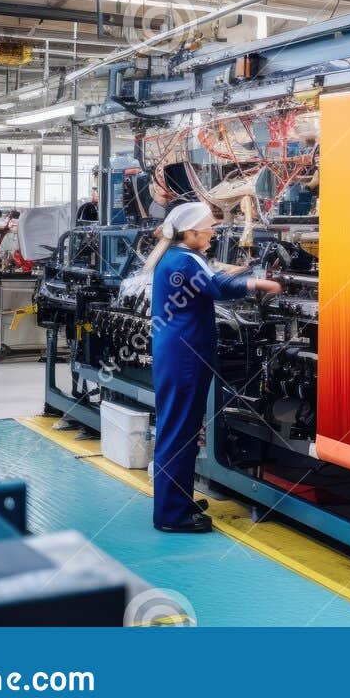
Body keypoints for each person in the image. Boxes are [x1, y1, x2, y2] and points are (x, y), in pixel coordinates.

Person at [141, 201, 281, 533]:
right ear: (190, 233)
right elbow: (219, 287)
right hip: (185, 357)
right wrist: (261, 284)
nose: (213, 234)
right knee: (179, 432)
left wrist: (240, 271)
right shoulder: (185, 260)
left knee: (181, 430)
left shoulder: (176, 256)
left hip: (177, 352)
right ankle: (172, 516)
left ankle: (178, 500)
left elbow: (212, 275)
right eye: (208, 229)